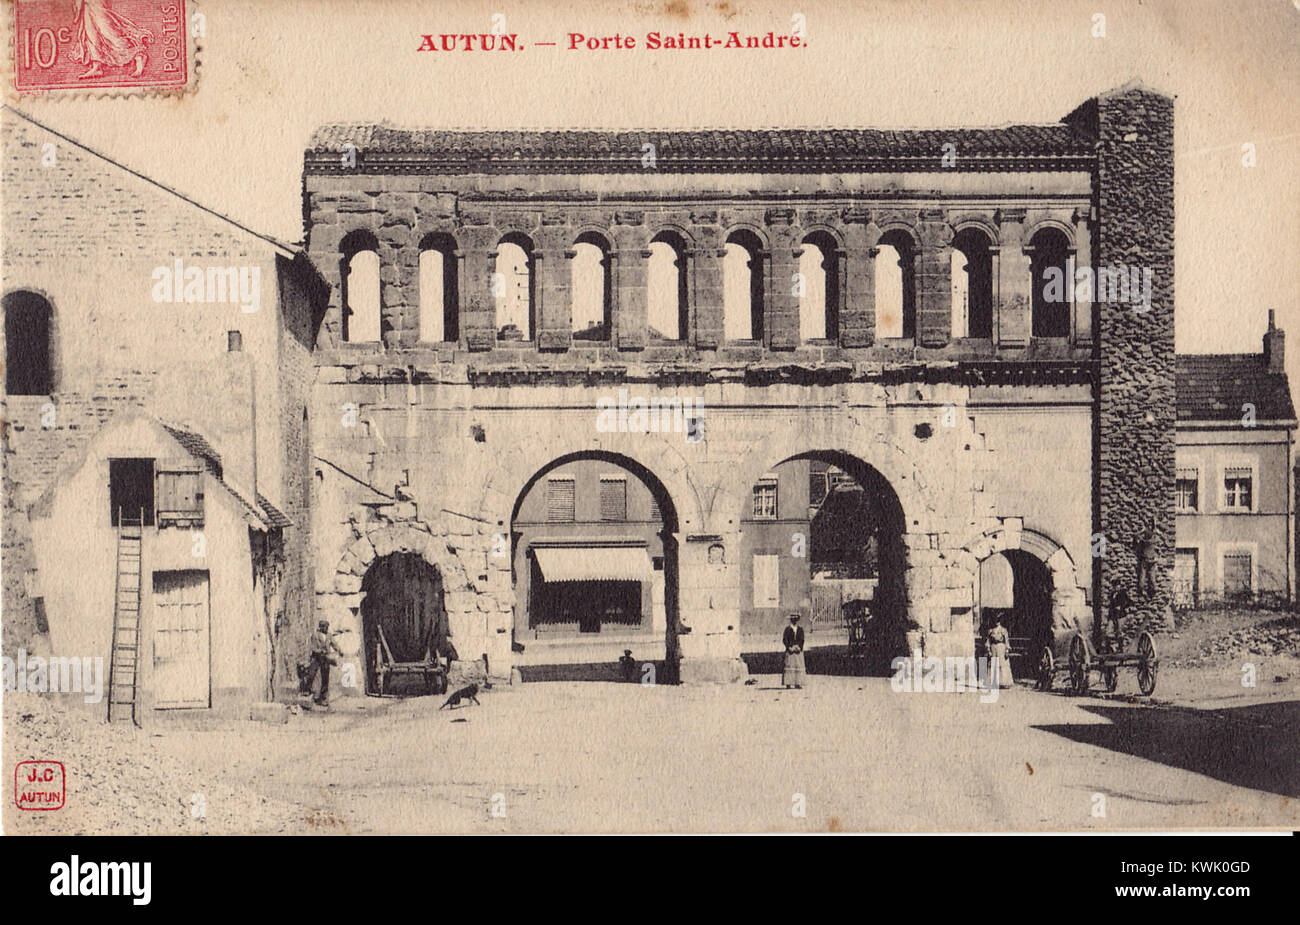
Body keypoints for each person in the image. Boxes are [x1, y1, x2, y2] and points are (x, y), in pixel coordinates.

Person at [71, 1, 154, 80]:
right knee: (91, 35)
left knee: (110, 33)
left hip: (96, 4)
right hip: (87, 5)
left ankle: (139, 56)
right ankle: (97, 66)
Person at [302, 620, 341, 706]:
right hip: (316, 657)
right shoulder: (315, 635)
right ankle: (307, 690)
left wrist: (339, 650)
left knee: (325, 678)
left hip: (325, 658)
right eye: (324, 627)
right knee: (311, 674)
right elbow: (313, 647)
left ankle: (323, 698)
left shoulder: (329, 636)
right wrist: (320, 651)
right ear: (320, 627)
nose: (326, 629)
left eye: (327, 627)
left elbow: (334, 644)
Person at [985, 619, 1013, 689]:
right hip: (993, 647)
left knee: (1002, 664)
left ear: (1000, 621)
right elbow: (988, 641)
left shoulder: (1003, 630)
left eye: (998, 621)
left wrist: (1007, 650)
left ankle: (1004, 682)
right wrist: (988, 650)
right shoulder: (991, 630)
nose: (996, 622)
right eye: (995, 620)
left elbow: (1006, 641)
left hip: (1001, 647)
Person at [781, 613, 806, 689]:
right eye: (793, 619)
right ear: (791, 620)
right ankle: (788, 683)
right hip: (790, 650)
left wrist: (799, 647)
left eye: (796, 619)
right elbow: (785, 639)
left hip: (798, 650)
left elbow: (802, 639)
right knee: (789, 665)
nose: (795, 621)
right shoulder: (787, 629)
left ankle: (798, 683)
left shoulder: (800, 629)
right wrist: (789, 647)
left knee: (798, 665)